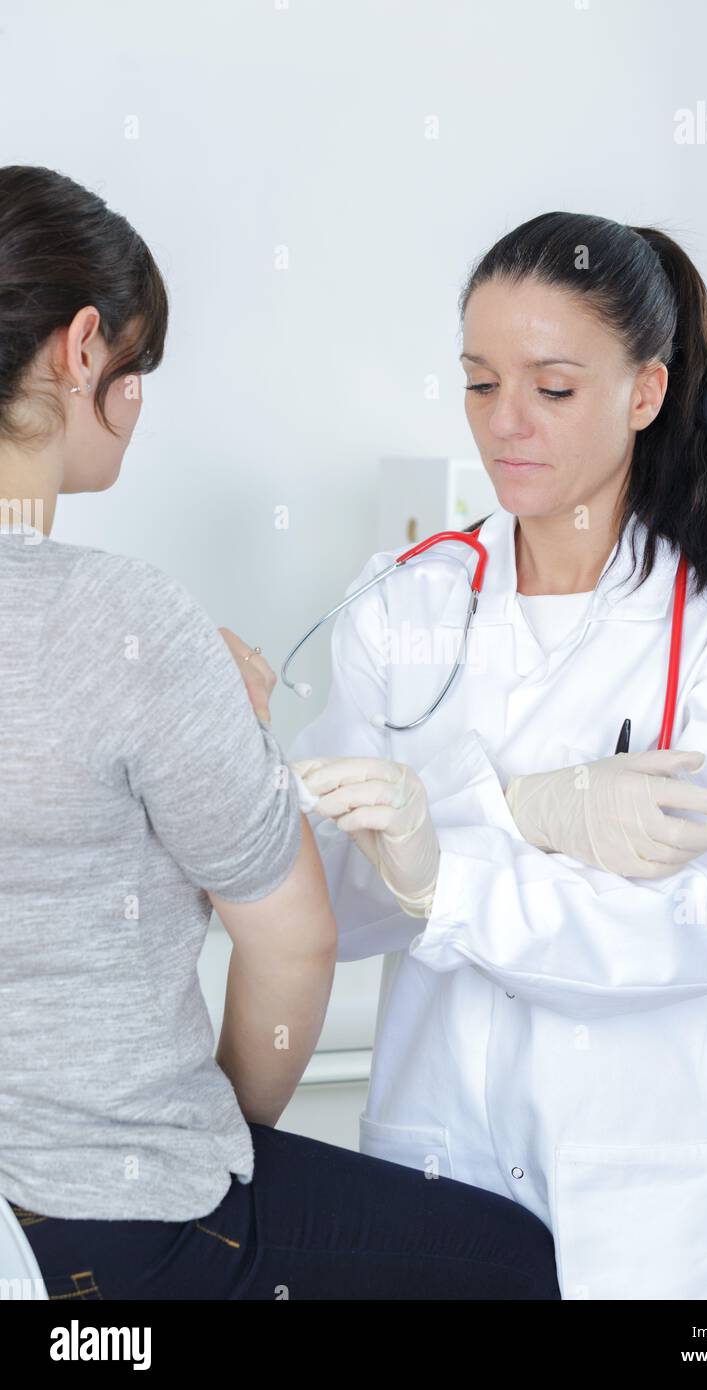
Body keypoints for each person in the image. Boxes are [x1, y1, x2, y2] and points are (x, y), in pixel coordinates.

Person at [0, 166, 561, 1301]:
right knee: (513, 1262)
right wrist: (220, 1139)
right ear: (82, 347)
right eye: (138, 370)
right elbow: (292, 942)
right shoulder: (129, 618)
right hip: (115, 1234)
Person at [289, 212, 707, 1300]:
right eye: (478, 382)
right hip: (435, 1173)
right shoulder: (406, 598)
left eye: (551, 388)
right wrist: (522, 816)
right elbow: (327, 903)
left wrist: (446, 863)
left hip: (653, 1211)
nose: (505, 424)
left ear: (643, 392)